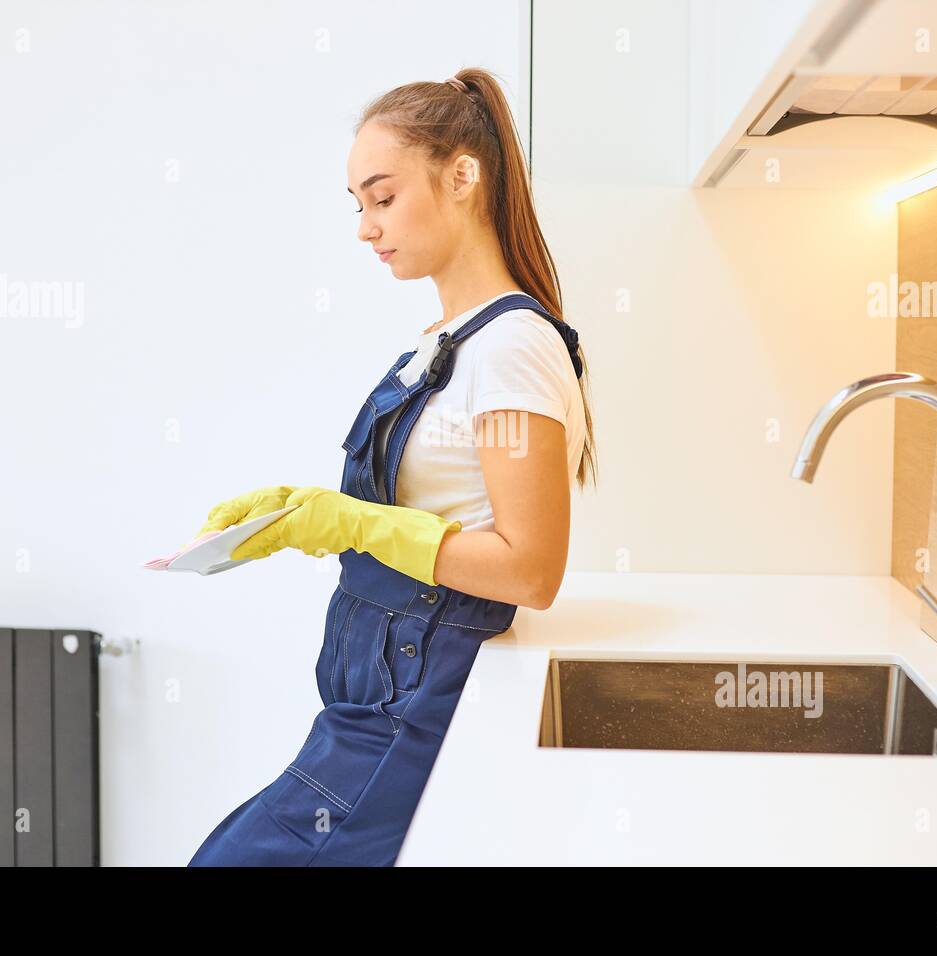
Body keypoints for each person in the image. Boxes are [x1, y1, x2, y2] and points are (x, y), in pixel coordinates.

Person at [187, 67, 596, 866]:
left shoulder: (511, 348)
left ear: (464, 176)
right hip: (368, 709)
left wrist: (351, 522)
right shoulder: (447, 341)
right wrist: (302, 513)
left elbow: (531, 568)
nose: (366, 228)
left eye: (383, 197)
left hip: (407, 715)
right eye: (358, 205)